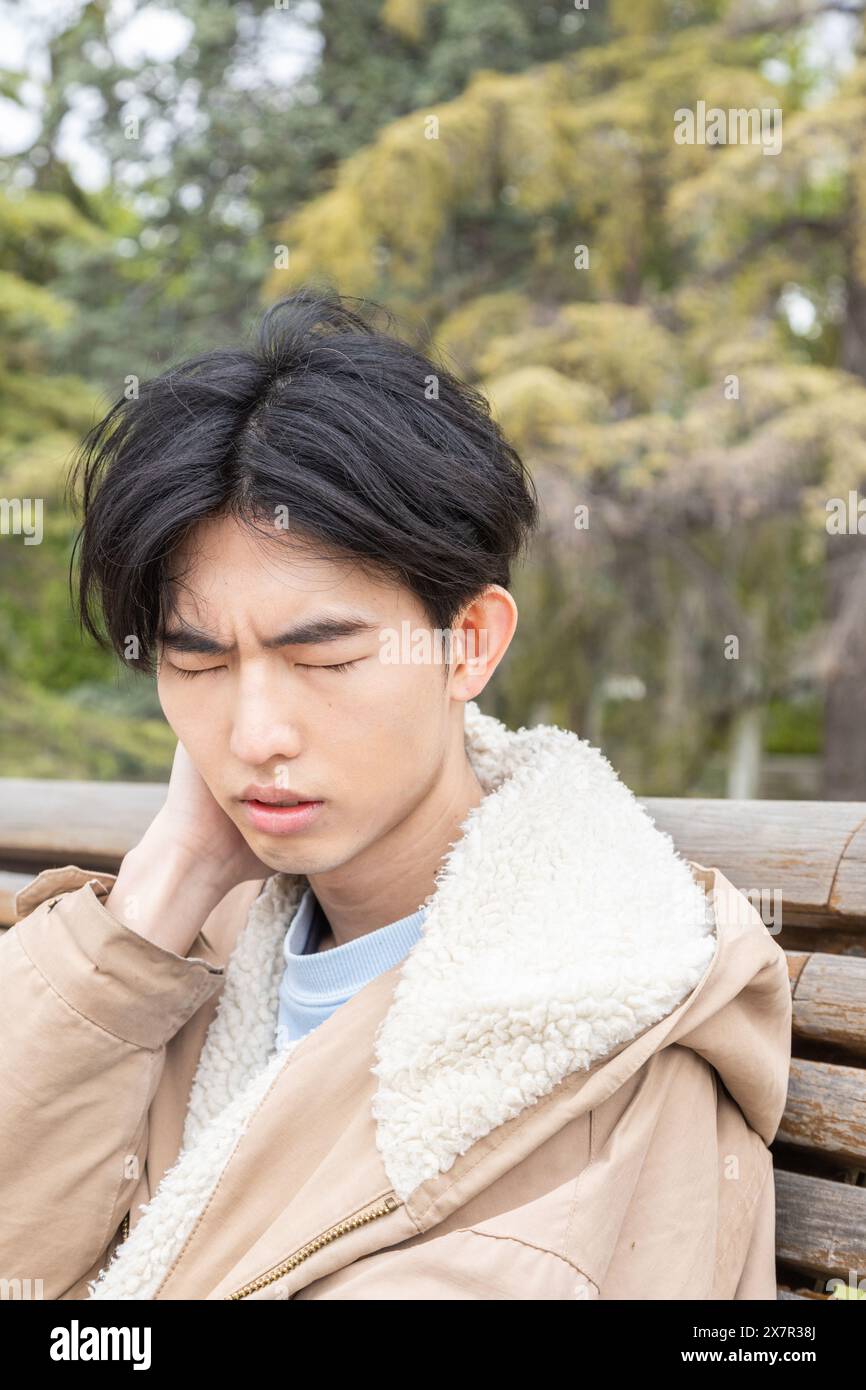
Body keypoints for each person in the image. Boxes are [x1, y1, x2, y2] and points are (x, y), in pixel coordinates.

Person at [0, 286, 791, 1300]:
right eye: (197, 661)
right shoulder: (196, 946)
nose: (253, 735)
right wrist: (168, 879)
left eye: (321, 655)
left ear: (467, 644)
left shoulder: (595, 1016)